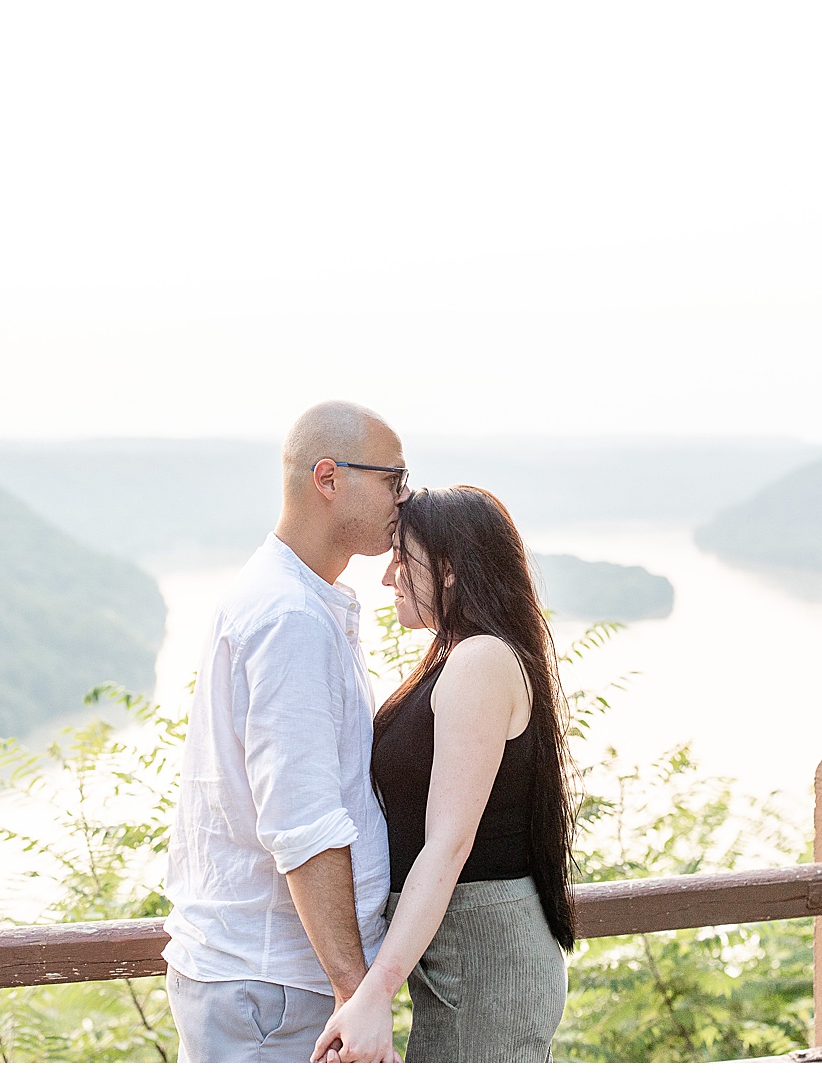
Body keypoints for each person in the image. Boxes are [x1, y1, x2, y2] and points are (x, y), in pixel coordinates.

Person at [163, 400, 412, 1063]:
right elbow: (303, 824)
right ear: (327, 478)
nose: (404, 498)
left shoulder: (292, 599)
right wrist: (356, 991)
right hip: (274, 990)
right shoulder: (291, 617)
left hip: (263, 982)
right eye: (393, 479)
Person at [311, 485, 577, 1063]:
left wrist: (374, 990)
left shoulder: (480, 660)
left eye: (402, 559)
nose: (387, 579)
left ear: (450, 570)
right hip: (464, 947)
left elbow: (448, 845)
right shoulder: (462, 655)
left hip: (486, 952)